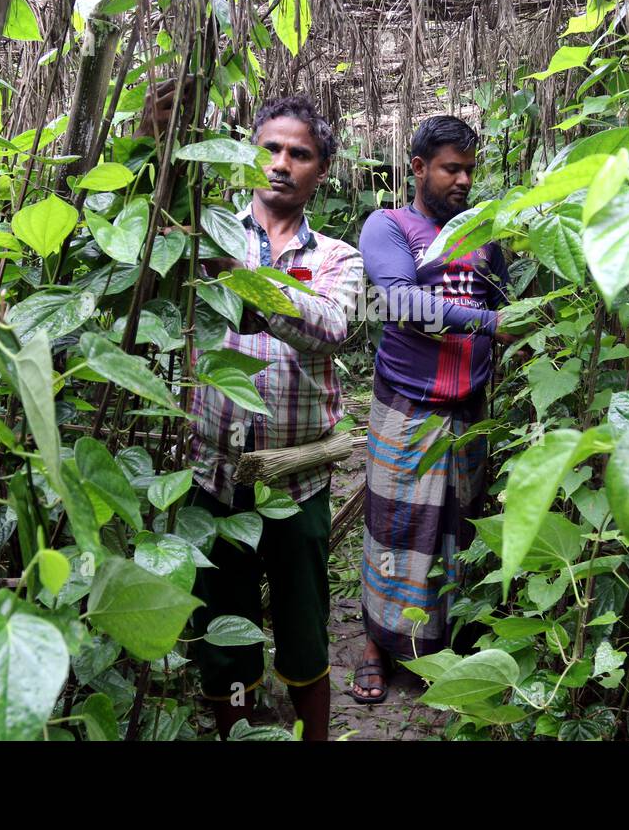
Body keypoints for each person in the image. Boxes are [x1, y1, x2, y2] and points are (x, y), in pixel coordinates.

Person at [146, 91, 363, 740]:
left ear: (321, 171)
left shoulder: (336, 258)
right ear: (249, 154)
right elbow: (148, 266)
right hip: (214, 479)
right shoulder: (206, 232)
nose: (281, 163)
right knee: (226, 638)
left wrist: (237, 281)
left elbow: (330, 327)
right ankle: (237, 731)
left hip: (298, 482)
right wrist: (162, 152)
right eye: (270, 148)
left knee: (304, 635)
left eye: (300, 154)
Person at [352, 115, 520, 704]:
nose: (463, 180)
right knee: (394, 525)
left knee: (456, 524)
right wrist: (484, 323)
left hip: (469, 407)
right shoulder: (390, 225)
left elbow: (509, 305)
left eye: (470, 169)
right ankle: (375, 643)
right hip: (407, 403)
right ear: (419, 167)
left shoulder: (483, 235)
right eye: (452, 167)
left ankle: (440, 646)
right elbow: (397, 302)